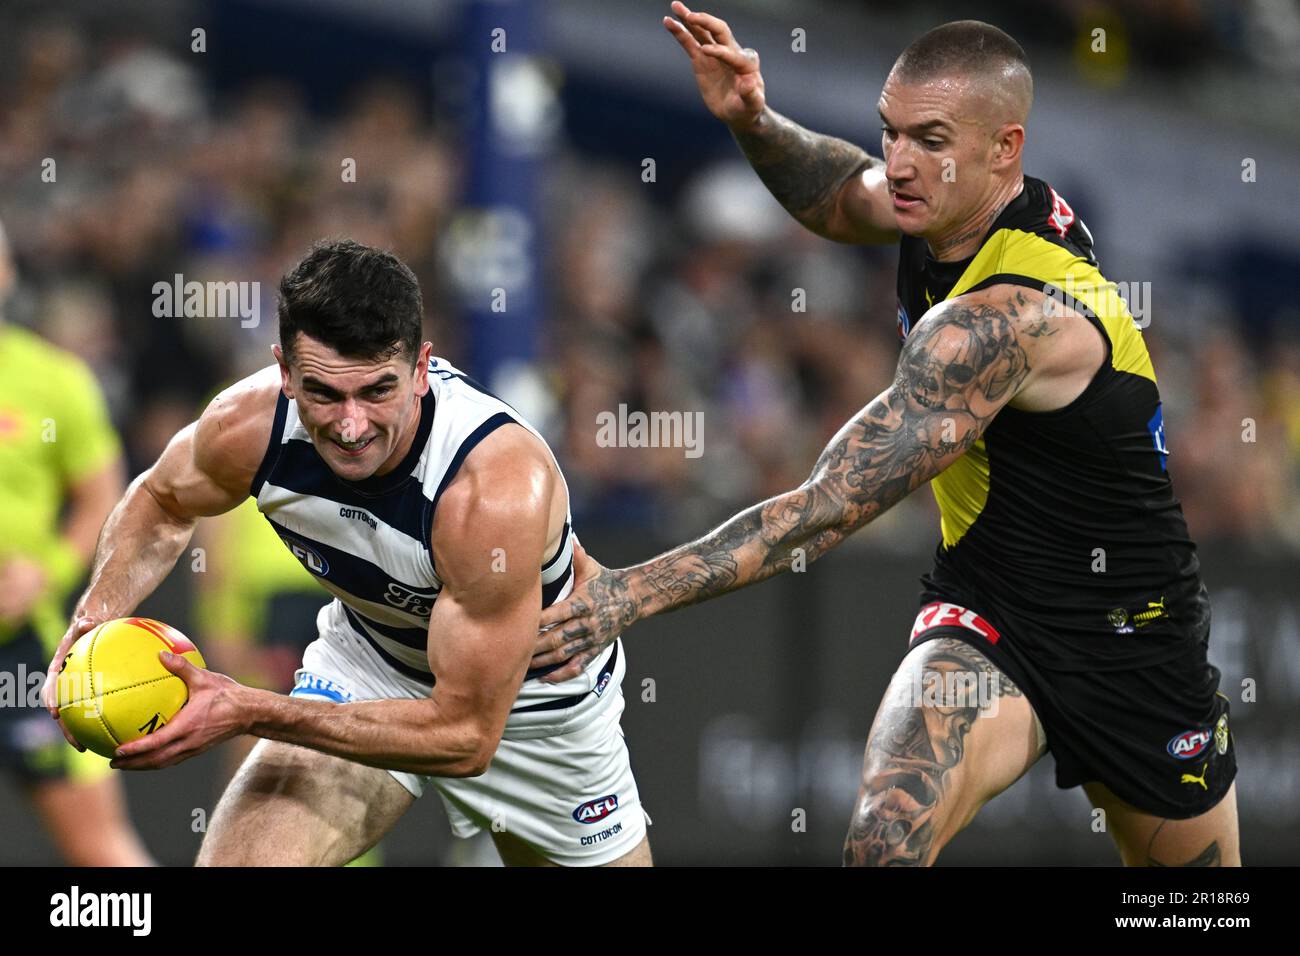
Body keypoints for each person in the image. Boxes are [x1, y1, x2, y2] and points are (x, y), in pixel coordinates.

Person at [533, 5, 1238, 867]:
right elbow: (841, 194)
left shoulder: (1006, 319)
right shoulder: (944, 205)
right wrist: (754, 120)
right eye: (890, 132)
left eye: (928, 140)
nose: (899, 163)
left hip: (1136, 636)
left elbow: (826, 507)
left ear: (1004, 148)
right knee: (881, 841)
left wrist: (626, 597)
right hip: (993, 612)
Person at [42, 238, 651, 867]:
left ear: (422, 368)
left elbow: (466, 736)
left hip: (532, 714)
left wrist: (249, 708)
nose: (351, 425)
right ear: (284, 371)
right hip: (370, 666)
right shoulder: (248, 426)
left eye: (377, 391)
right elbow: (161, 502)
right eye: (324, 394)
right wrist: (91, 619)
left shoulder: (490, 489)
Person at [0, 220, 152, 865]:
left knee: (100, 848)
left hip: (18, 646)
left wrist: (47, 569)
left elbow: (105, 499)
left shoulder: (53, 378)